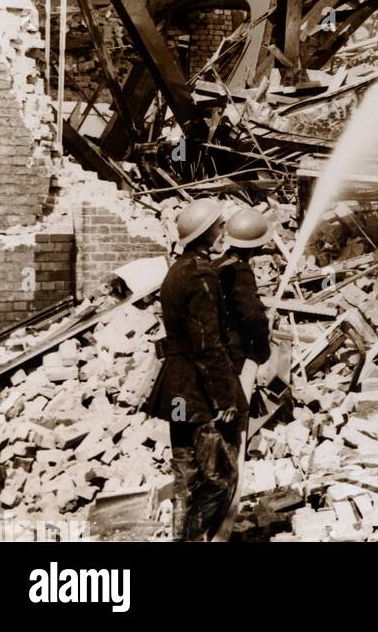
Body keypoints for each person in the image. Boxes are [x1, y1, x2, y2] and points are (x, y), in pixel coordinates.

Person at [146, 200, 246, 542]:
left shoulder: (176, 270)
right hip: (198, 391)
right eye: (218, 227)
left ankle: (180, 537)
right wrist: (224, 396)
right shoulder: (202, 274)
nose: (222, 232)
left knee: (185, 471)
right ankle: (193, 539)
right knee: (219, 478)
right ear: (205, 235)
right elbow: (207, 342)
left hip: (176, 391)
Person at [216, 207, 272, 374]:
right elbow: (252, 315)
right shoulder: (240, 270)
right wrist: (263, 349)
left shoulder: (218, 263)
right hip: (234, 348)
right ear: (257, 244)